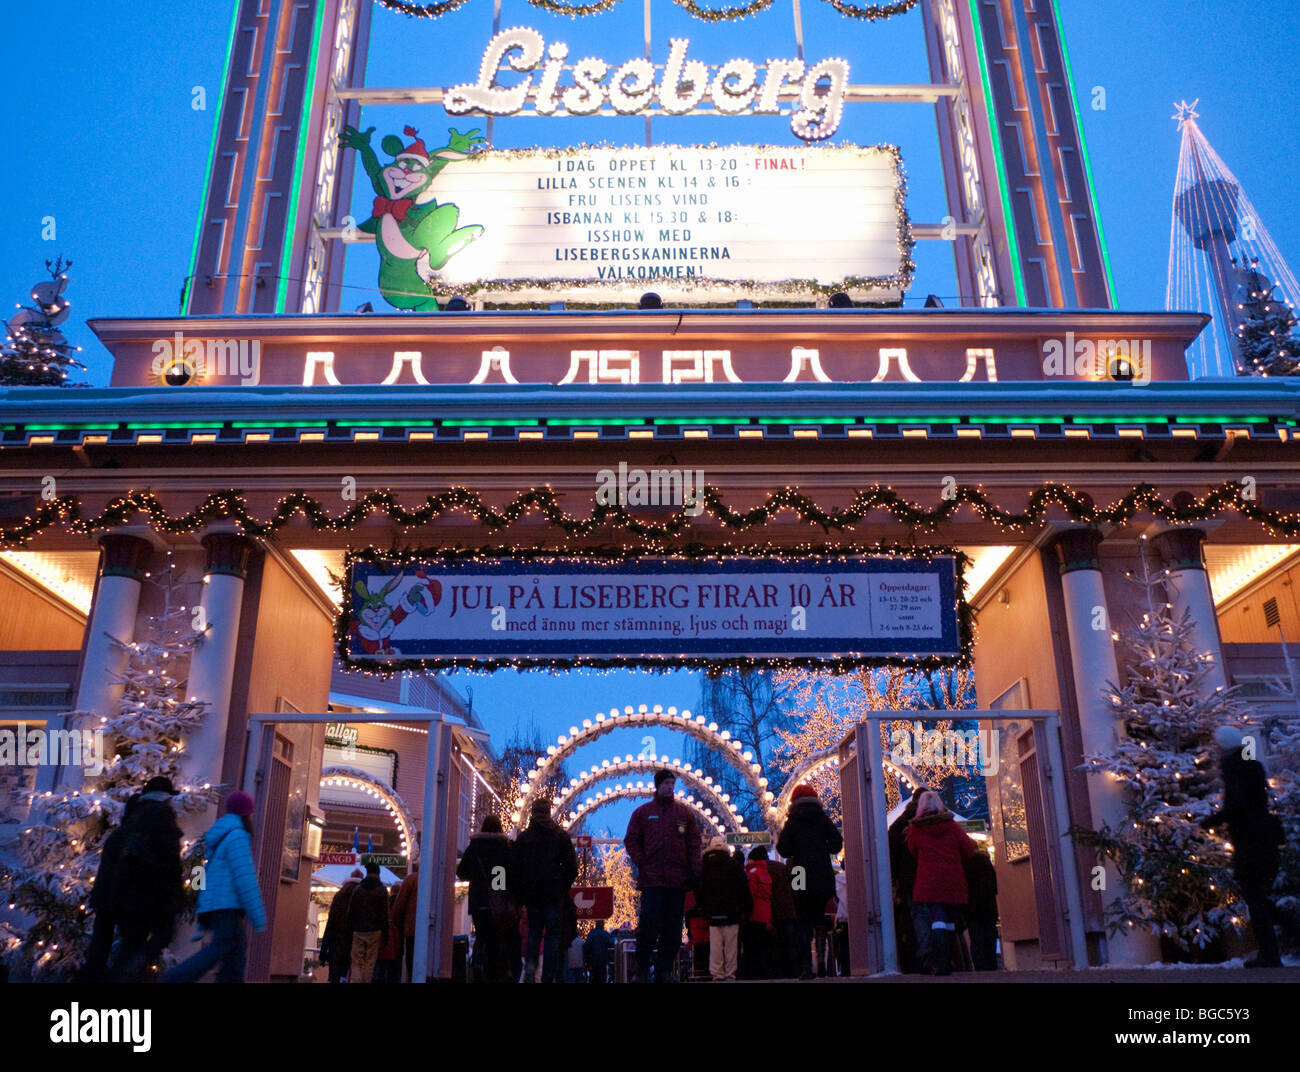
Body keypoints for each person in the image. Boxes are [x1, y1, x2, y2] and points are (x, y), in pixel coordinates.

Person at [1202, 725, 1284, 968]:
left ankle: (1272, 952)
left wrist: (1211, 821)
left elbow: (1237, 806)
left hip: (1250, 841)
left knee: (1255, 897)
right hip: (1262, 838)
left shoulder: (1234, 768)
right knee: (1258, 896)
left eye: (1217, 744)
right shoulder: (1252, 765)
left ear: (1224, 746)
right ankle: (1275, 948)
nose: (1215, 749)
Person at [164, 791, 266, 983]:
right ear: (247, 814)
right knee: (219, 949)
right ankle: (173, 978)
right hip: (227, 904)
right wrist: (258, 916)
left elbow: (203, 867)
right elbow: (245, 877)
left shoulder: (220, 833)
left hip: (216, 903)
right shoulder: (237, 836)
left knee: (234, 955)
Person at [624, 769, 701, 983]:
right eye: (666, 783)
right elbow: (631, 839)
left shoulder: (684, 814)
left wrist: (694, 869)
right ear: (658, 786)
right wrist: (643, 861)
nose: (670, 787)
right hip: (652, 880)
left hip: (677, 880)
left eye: (672, 784)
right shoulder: (643, 813)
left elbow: (693, 842)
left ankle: (664, 969)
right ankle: (641, 969)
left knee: (673, 927)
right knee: (648, 923)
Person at [112, 777, 185, 982]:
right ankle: (129, 972)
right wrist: (178, 893)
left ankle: (123, 975)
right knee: (163, 934)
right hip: (155, 893)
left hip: (129, 892)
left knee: (131, 942)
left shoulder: (134, 816)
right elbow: (171, 860)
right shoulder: (163, 818)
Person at [905, 790, 977, 976]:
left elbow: (912, 851)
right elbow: (968, 849)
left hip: (928, 881)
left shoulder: (915, 829)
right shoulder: (952, 826)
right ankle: (949, 959)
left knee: (937, 918)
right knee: (950, 920)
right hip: (952, 880)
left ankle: (942, 961)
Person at [776, 783, 843, 980]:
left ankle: (806, 967)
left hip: (799, 871)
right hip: (821, 870)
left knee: (802, 919)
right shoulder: (822, 818)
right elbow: (837, 844)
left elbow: (783, 849)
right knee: (820, 916)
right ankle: (822, 963)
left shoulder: (793, 820)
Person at [78, 793, 140, 983]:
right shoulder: (129, 836)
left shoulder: (120, 834)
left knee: (101, 943)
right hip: (115, 898)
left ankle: (93, 976)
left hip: (107, 896)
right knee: (120, 943)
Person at [514, 799, 578, 983]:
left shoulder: (524, 838)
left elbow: (515, 868)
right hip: (553, 894)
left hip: (532, 894)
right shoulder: (560, 836)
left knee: (534, 930)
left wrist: (521, 893)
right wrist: (562, 887)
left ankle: (530, 966)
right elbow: (572, 867)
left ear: (533, 813)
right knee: (552, 935)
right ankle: (548, 975)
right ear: (549, 812)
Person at [456, 814, 517, 983]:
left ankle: (478, 967)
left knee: (482, 936)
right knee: (498, 940)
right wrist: (501, 888)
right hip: (498, 903)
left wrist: (477, 879)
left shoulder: (474, 847)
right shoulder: (505, 847)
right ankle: (496, 973)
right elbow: (509, 875)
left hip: (478, 901)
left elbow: (462, 872)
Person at [698, 835, 751, 981]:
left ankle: (717, 973)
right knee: (731, 946)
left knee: (715, 945)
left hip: (713, 912)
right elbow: (743, 887)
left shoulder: (704, 866)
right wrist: (745, 907)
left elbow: (699, 889)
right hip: (732, 911)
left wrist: (703, 908)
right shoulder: (733, 864)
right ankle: (730, 973)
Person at [889, 786, 929, 973]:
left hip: (909, 879)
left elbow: (891, 853)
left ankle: (920, 957)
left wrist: (895, 877)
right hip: (938, 878)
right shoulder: (943, 821)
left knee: (916, 916)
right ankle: (943, 955)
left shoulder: (901, 825)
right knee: (940, 915)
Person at [348, 861, 390, 983]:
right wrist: (385, 933)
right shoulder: (382, 890)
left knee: (357, 961)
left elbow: (351, 911)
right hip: (375, 931)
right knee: (370, 962)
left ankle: (356, 980)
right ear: (378, 873)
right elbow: (384, 914)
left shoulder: (358, 889)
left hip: (358, 930)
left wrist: (351, 929)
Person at [321, 868, 363, 982]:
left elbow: (330, 922)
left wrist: (323, 951)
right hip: (354, 938)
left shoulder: (339, 895)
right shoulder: (362, 895)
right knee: (349, 969)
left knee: (334, 970)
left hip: (336, 938)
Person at [741, 846, 773, 980]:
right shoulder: (766, 872)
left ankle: (752, 974)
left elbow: (750, 895)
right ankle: (764, 973)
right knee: (764, 946)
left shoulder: (751, 873)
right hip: (765, 913)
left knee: (751, 946)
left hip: (754, 914)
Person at [965, 848, 999, 971]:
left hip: (973, 906)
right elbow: (995, 886)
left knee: (976, 937)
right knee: (990, 935)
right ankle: (992, 963)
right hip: (989, 905)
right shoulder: (985, 862)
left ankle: (980, 966)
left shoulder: (966, 863)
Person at [766, 854, 798, 979]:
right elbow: (798, 889)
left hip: (777, 911)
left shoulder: (776, 868)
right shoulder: (794, 869)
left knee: (777, 943)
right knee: (791, 943)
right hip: (789, 911)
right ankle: (793, 970)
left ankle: (779, 971)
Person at [391, 866, 419, 982]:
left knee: (411, 960)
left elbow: (400, 905)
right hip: (434, 931)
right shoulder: (438, 880)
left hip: (412, 928)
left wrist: (395, 922)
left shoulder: (411, 880)